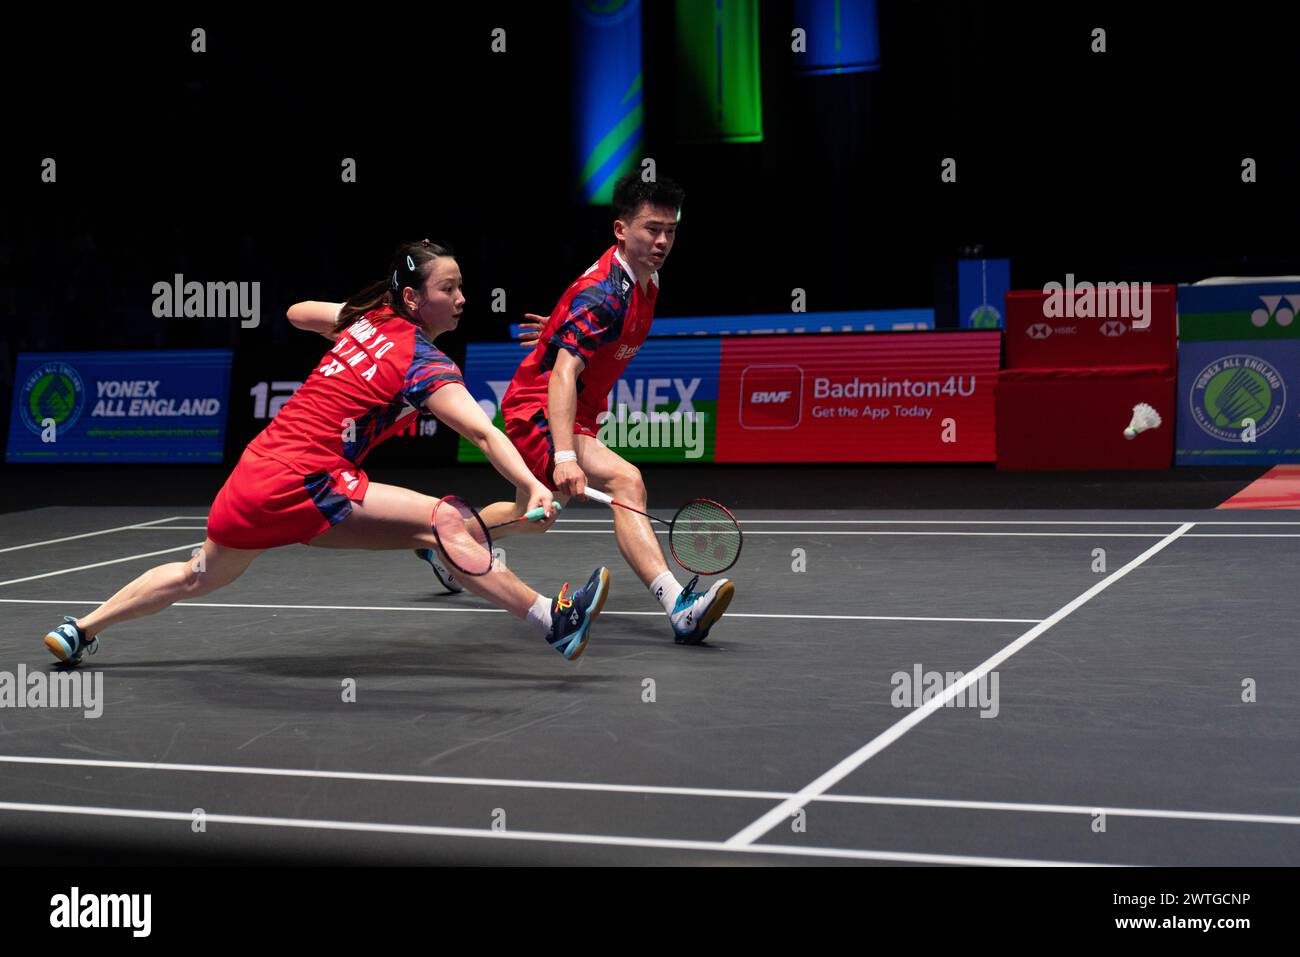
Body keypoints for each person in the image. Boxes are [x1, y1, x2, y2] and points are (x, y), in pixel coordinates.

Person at [42, 240, 610, 667]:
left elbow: (294, 312)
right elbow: (485, 434)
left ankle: (81, 629)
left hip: (253, 476)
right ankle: (553, 619)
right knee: (447, 521)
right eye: (448, 289)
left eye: (462, 287)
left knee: (197, 574)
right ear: (413, 297)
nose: (462, 299)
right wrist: (535, 485)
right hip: (307, 478)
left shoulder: (366, 322)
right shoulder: (423, 361)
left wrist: (358, 321)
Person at [465, 174, 734, 644]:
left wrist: (560, 325)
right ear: (620, 230)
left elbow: (588, 319)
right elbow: (563, 374)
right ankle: (679, 607)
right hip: (539, 408)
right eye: (651, 229)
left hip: (578, 411)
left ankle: (451, 541)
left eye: (670, 230)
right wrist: (566, 455)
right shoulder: (604, 296)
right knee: (626, 480)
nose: (663, 240)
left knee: (538, 514)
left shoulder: (645, 281)